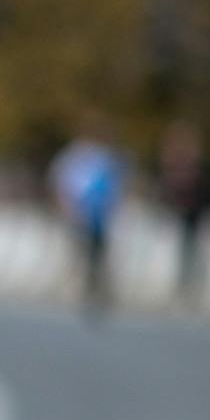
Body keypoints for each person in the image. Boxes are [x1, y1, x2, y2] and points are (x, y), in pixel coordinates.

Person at [49, 118, 127, 317]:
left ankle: (98, 288)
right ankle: (82, 288)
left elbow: (113, 186)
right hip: (78, 214)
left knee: (98, 254)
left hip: (99, 217)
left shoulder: (102, 159)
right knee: (80, 252)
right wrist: (67, 207)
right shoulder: (71, 158)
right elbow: (61, 184)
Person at [157, 118, 210, 306]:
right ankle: (182, 285)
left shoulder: (195, 165)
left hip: (194, 210)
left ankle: (191, 285)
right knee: (181, 249)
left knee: (192, 248)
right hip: (179, 209)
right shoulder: (175, 163)